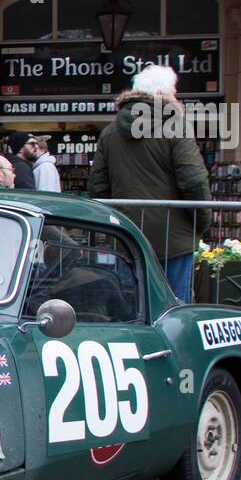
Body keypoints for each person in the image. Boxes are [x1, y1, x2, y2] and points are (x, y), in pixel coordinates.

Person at [88, 64, 210, 303]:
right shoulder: (175, 125)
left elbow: (98, 187)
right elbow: (193, 180)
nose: (176, 96)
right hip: (172, 236)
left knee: (131, 306)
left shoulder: (110, 133)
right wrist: (202, 221)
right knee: (173, 307)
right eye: (173, 91)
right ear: (161, 95)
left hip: (127, 235)